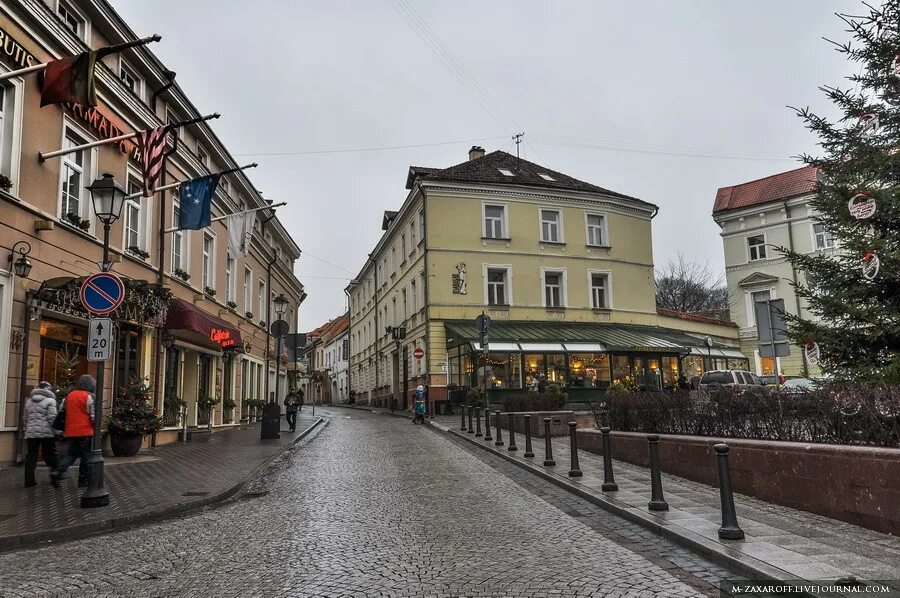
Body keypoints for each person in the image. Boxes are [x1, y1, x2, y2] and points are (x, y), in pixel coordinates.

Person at [51, 374, 95, 489]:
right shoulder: (88, 397)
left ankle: (58, 471)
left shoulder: (69, 396)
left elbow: (61, 411)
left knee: (71, 455)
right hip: (85, 431)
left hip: (70, 431)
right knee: (86, 456)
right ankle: (82, 479)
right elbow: (93, 415)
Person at [23, 381, 58, 487]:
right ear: (48, 389)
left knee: (31, 456)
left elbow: (25, 418)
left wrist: (27, 428)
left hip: (31, 433)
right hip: (47, 433)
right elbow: (52, 418)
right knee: (49, 455)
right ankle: (54, 476)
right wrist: (56, 431)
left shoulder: (29, 401)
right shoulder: (51, 401)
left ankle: (29, 481)